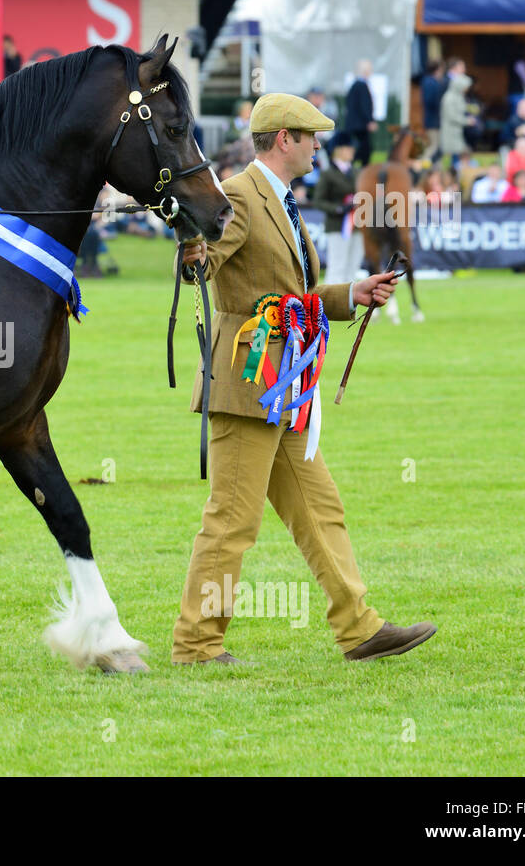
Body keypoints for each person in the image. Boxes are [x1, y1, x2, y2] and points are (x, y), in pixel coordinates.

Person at [171, 92, 433, 666]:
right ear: (285, 138)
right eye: (312, 135)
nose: (320, 145)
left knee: (322, 509)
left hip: (283, 385)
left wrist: (350, 294)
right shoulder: (240, 195)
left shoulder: (280, 200)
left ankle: (359, 628)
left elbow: (291, 295)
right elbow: (203, 262)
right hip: (248, 380)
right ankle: (196, 643)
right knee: (232, 520)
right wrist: (189, 240)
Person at [312, 131, 360, 286]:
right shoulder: (328, 174)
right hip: (337, 225)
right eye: (348, 148)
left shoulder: (356, 172)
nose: (352, 151)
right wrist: (339, 208)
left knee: (353, 268)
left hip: (357, 226)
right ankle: (331, 305)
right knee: (337, 267)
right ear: (339, 150)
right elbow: (318, 201)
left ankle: (349, 306)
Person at [439, 71, 474, 170]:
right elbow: (451, 115)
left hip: (457, 132)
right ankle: (452, 173)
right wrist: (467, 121)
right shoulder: (449, 98)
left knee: (458, 153)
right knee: (453, 155)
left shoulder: (459, 96)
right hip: (450, 131)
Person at [344, 59, 377, 166]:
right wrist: (370, 121)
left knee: (360, 148)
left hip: (354, 125)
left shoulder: (354, 85)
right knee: (365, 149)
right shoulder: (362, 85)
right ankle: (360, 170)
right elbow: (365, 105)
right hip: (360, 126)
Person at [419, 60, 444, 162]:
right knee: (433, 146)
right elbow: (430, 101)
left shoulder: (427, 81)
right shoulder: (432, 83)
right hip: (433, 120)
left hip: (431, 119)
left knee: (436, 146)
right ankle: (420, 165)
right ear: (437, 70)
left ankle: (434, 168)